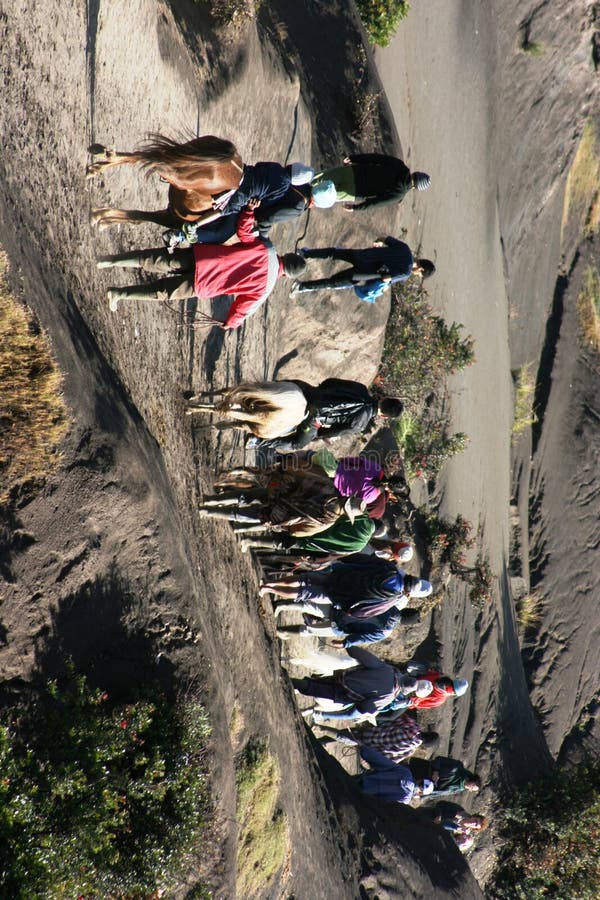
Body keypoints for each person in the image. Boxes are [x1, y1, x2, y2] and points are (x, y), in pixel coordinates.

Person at [97, 202, 306, 326]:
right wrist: (230, 323)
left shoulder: (266, 247)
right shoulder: (266, 288)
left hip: (204, 256)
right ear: (286, 275)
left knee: (156, 259)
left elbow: (243, 231)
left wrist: (248, 212)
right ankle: (118, 294)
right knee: (162, 291)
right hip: (205, 284)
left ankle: (109, 261)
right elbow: (242, 308)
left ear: (286, 255)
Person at [260, 554, 432, 621]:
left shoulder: (390, 568)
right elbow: (365, 611)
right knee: (304, 594)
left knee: (305, 578)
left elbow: (365, 560)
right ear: (410, 592)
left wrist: (346, 559)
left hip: (340, 575)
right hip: (339, 596)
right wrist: (348, 610)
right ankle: (270, 590)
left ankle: (269, 583)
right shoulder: (391, 600)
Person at [251, 379, 404, 453]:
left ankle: (261, 387)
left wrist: (321, 390)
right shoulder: (360, 424)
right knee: (296, 445)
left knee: (293, 383)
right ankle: (257, 441)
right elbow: (333, 432)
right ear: (384, 416)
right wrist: (319, 432)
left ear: (384, 398)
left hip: (314, 394)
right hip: (315, 418)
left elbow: (331, 381)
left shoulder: (362, 388)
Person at [291, 646, 425, 725]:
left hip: (341, 676)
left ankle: (294, 683)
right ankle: (290, 682)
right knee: (312, 688)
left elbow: (365, 657)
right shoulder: (389, 697)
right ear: (404, 690)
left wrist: (349, 646)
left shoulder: (388, 670)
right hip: (344, 694)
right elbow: (366, 707)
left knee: (315, 683)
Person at [290, 237, 435, 296]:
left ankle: (304, 253)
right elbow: (386, 278)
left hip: (363, 255)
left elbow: (383, 238)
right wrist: (384, 286)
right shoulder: (406, 272)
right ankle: (300, 287)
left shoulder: (405, 248)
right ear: (421, 269)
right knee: (332, 282)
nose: (417, 276)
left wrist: (378, 244)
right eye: (420, 275)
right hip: (364, 273)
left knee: (333, 253)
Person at [314, 153, 431, 211]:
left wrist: (355, 158)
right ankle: (301, 200)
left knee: (319, 178)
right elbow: (375, 202)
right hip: (354, 192)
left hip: (354, 172)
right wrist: (356, 208)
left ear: (415, 173)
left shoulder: (399, 165)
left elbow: (376, 158)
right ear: (415, 188)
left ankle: (297, 180)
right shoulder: (398, 194)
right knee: (320, 195)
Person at [319, 713, 438, 762]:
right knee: (346, 738)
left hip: (372, 731)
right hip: (371, 745)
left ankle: (324, 737)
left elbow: (398, 716)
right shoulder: (410, 749)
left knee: (348, 734)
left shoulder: (413, 725)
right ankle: (322, 731)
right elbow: (392, 759)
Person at [404, 662, 469, 710]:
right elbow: (419, 704)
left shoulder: (437, 675)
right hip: (407, 696)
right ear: (454, 693)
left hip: (409, 678)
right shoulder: (440, 700)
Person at [408, 756, 481, 797]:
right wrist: (436, 771)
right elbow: (439, 759)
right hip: (419, 770)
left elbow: (438, 793)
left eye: (471, 789)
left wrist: (421, 796)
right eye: (473, 786)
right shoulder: (458, 766)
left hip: (419, 787)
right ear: (472, 779)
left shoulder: (457, 789)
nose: (470, 789)